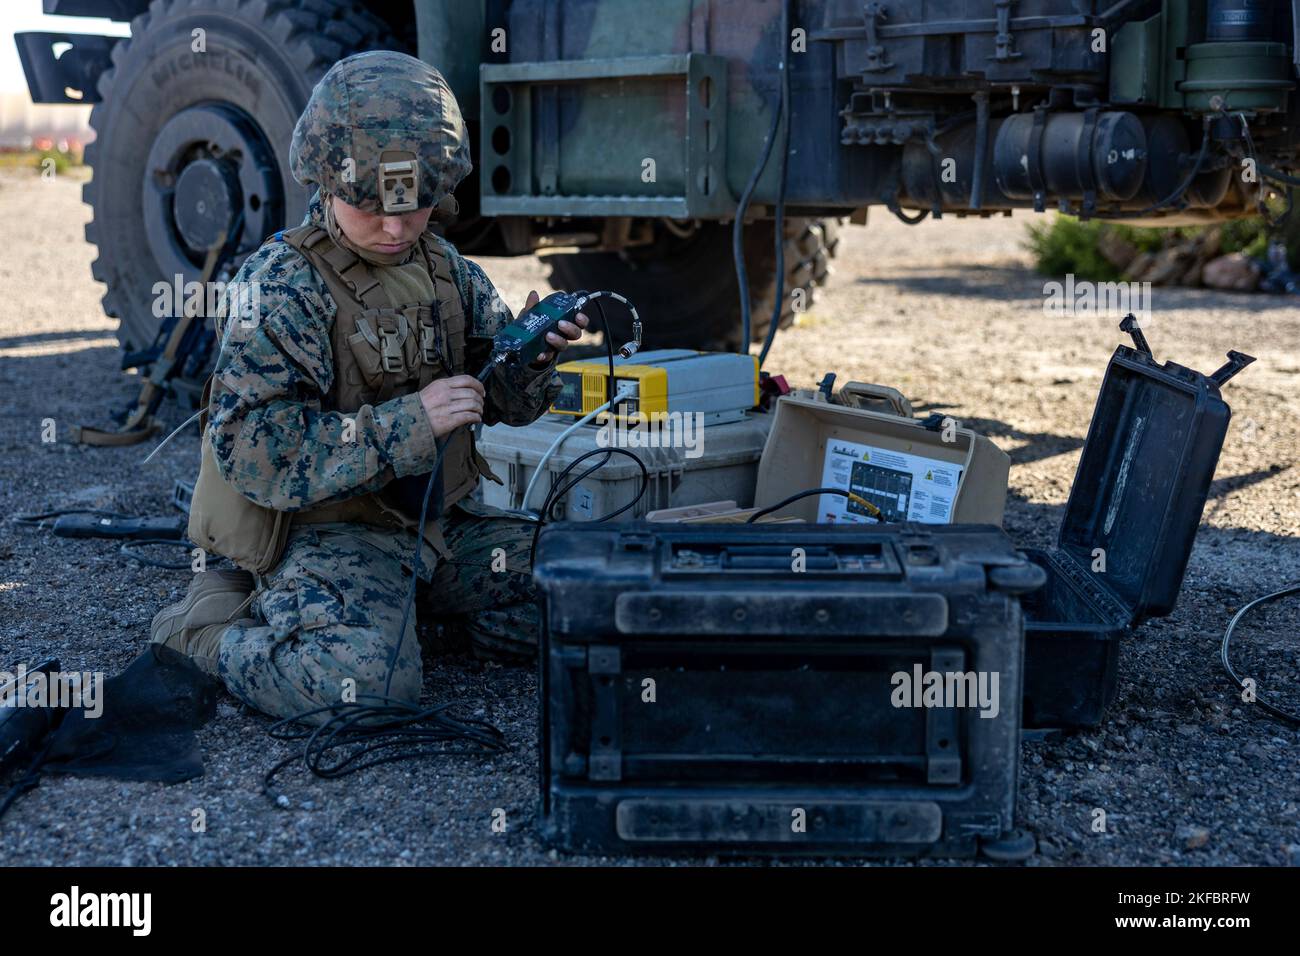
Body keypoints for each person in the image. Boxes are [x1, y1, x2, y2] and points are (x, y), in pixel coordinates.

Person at [149, 51, 586, 721]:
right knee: (365, 691)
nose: (395, 228)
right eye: (371, 208)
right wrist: (411, 424)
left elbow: (506, 404)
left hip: (438, 528)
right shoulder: (281, 286)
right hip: (327, 534)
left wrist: (529, 360)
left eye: (415, 208)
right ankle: (207, 638)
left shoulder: (446, 269)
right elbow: (255, 454)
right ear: (327, 182)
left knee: (589, 594)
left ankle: (405, 625)